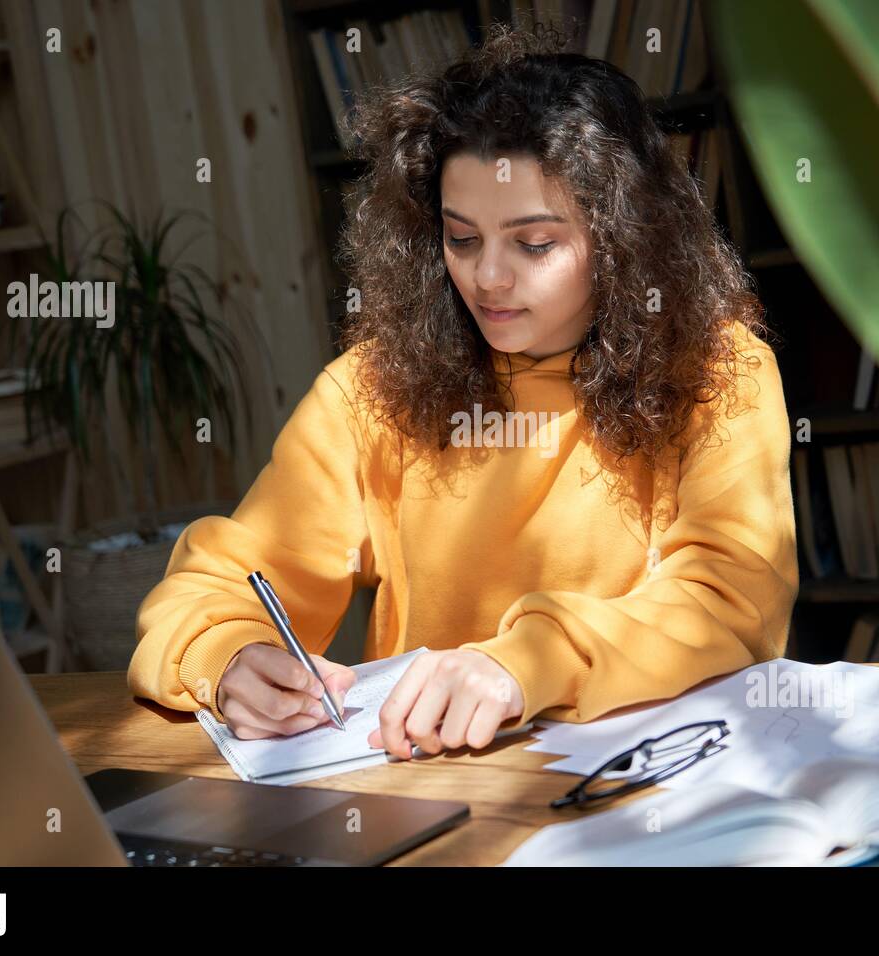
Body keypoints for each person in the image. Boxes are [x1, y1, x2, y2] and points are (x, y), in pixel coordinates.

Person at [127, 21, 799, 761]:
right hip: (429, 787)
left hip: (646, 786)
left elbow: (730, 601)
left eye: (534, 244)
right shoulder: (371, 389)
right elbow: (222, 580)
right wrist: (226, 655)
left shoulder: (718, 372)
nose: (489, 278)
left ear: (624, 237)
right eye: (462, 238)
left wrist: (523, 664)